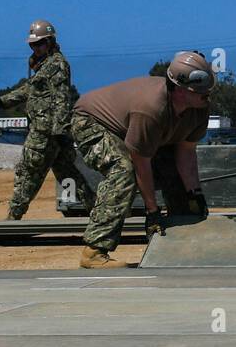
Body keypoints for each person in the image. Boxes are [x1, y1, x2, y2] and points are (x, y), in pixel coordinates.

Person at [70, 51, 215, 268]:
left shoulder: (199, 109)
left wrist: (195, 195)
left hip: (132, 127)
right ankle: (94, 251)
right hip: (92, 121)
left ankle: (180, 247)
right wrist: (152, 212)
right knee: (123, 172)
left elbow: (185, 154)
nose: (207, 95)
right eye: (200, 91)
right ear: (179, 88)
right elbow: (141, 163)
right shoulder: (150, 108)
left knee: (178, 182)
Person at [0, 20, 94, 219]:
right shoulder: (45, 65)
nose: (35, 48)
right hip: (50, 132)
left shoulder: (56, 64)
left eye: (39, 44)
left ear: (50, 42)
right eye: (32, 45)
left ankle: (12, 219)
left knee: (28, 173)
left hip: (45, 132)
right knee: (69, 174)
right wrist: (3, 101)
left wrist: (59, 131)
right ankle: (99, 212)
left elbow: (62, 98)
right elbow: (31, 89)